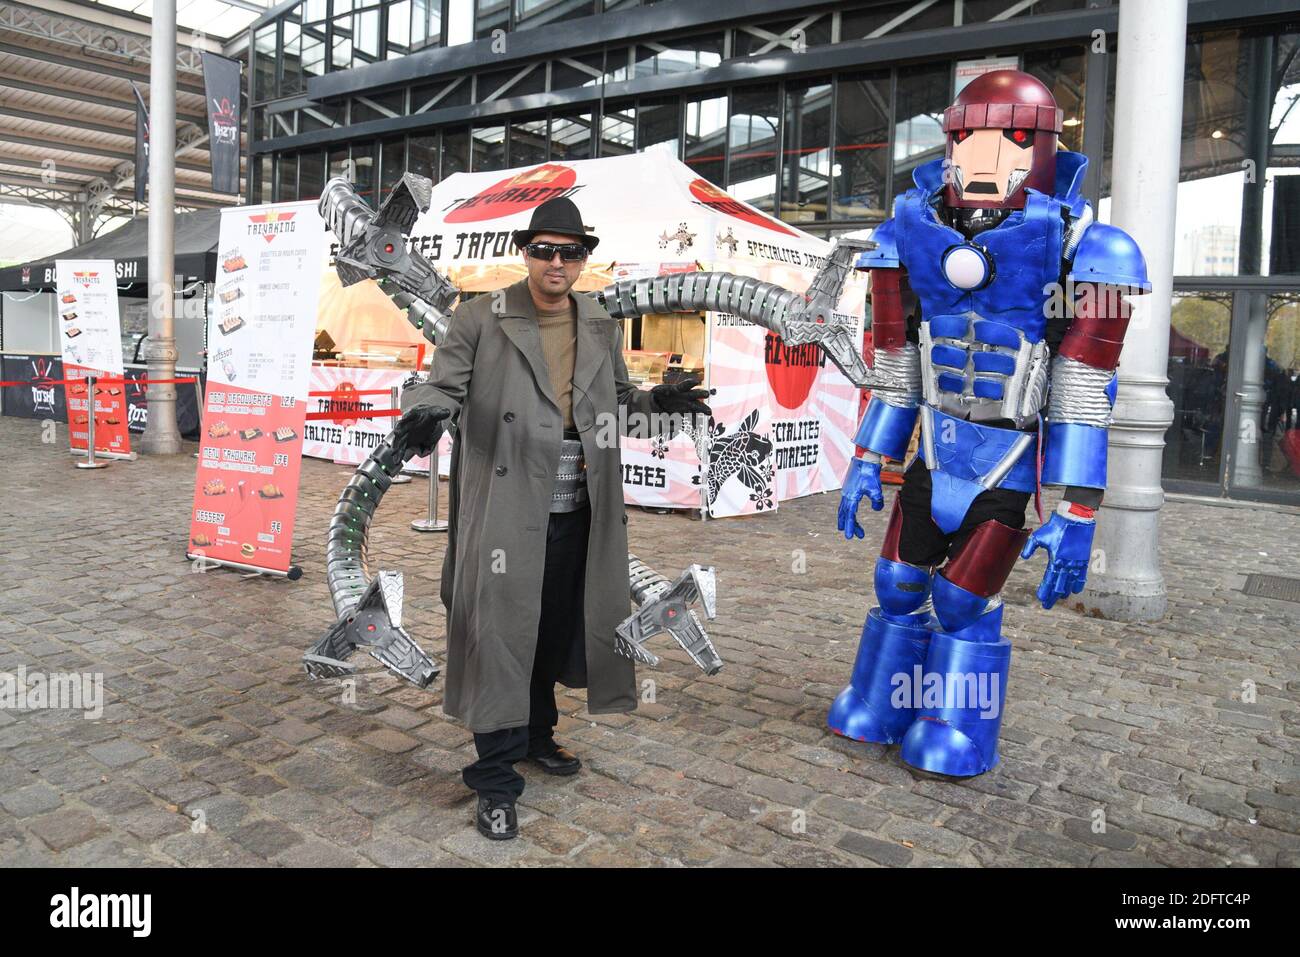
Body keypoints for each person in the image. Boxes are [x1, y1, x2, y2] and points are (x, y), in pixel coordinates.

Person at [391, 196, 711, 839]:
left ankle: (538, 733)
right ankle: (496, 780)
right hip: (509, 509)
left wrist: (661, 402)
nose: (556, 262)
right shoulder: (481, 316)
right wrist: (424, 411)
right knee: (501, 634)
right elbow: (445, 383)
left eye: (569, 251)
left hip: (581, 508)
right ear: (526, 253)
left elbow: (618, 405)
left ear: (584, 259)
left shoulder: (597, 321)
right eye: (544, 250)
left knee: (554, 627)